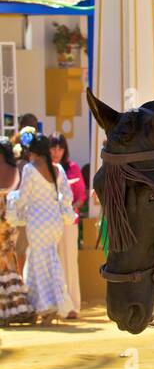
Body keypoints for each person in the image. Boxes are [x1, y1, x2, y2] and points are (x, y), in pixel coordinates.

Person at [5, 132, 75, 323]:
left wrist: (11, 199)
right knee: (51, 261)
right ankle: (52, 306)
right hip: (54, 222)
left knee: (37, 263)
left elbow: (24, 197)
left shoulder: (30, 168)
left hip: (37, 222)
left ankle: (45, 306)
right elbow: (67, 196)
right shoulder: (58, 169)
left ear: (33, 152)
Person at [50, 133, 85, 318]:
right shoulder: (43, 170)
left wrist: (70, 208)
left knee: (70, 263)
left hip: (70, 222)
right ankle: (55, 306)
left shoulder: (72, 168)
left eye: (60, 148)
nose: (57, 152)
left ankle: (72, 306)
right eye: (53, 148)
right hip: (49, 223)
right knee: (54, 263)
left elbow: (81, 196)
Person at [0, 138, 34, 325]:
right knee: (9, 262)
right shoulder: (15, 170)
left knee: (3, 264)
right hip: (11, 221)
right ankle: (18, 306)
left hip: (1, 220)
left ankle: (6, 310)